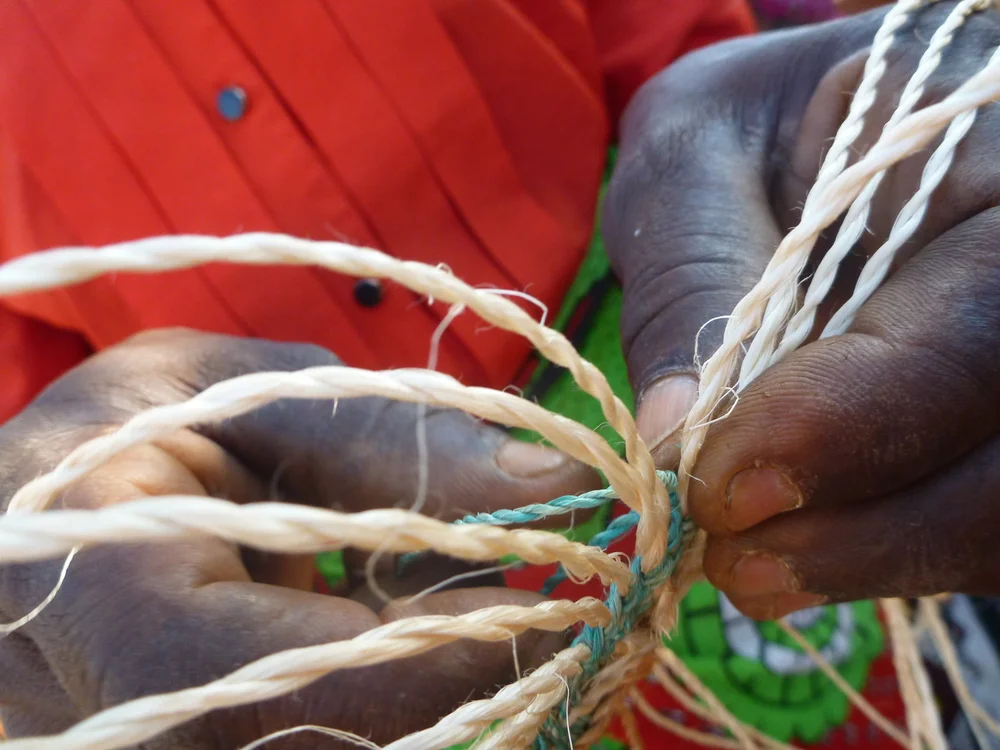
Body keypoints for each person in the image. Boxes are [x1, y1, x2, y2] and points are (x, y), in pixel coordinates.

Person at [2, 1, 998, 748]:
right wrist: (48, 540)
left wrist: (803, 170)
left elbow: (704, 62)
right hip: (344, 596)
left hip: (703, 358)